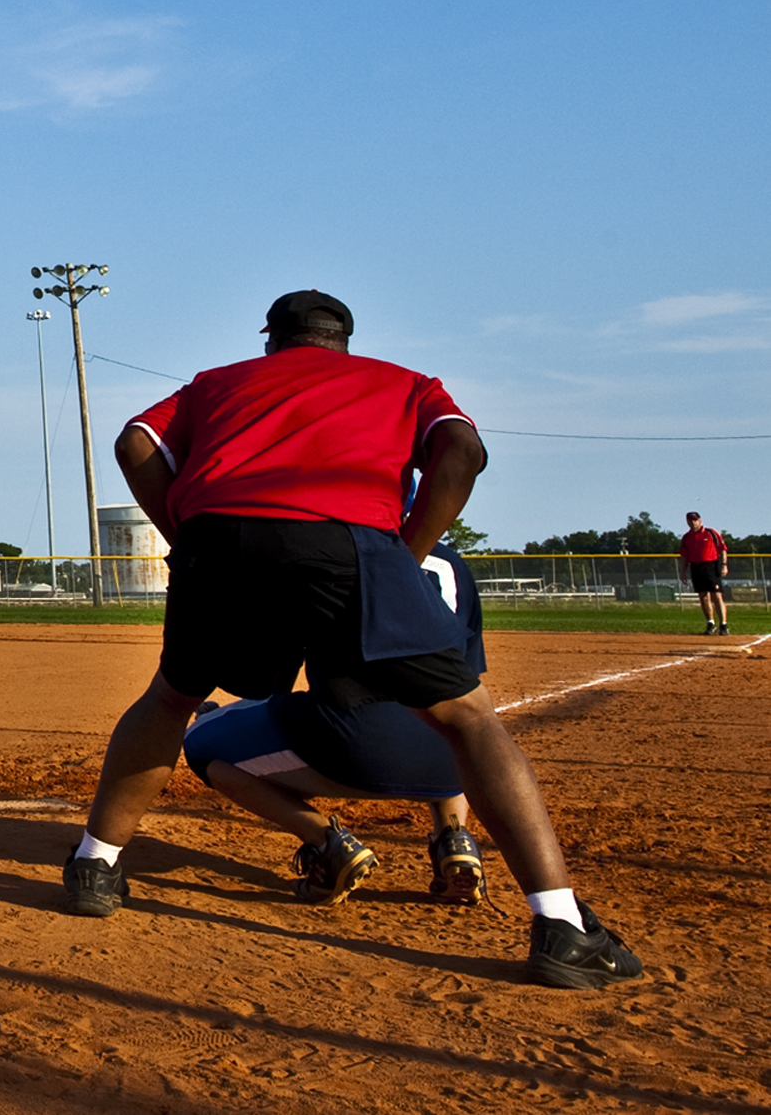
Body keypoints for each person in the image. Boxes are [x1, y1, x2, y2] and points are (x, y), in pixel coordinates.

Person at [65, 290, 641, 990]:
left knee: (173, 697)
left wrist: (187, 531)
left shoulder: (216, 384)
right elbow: (462, 450)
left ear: (270, 340)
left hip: (220, 538)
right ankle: (559, 927)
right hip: (352, 540)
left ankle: (95, 865)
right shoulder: (405, 383)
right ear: (344, 341)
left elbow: (135, 443)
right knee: (465, 717)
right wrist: (407, 551)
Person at [181, 542, 487, 906]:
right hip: (456, 760)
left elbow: (273, 680)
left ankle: (327, 842)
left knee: (201, 743)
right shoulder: (452, 564)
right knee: (450, 724)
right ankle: (454, 839)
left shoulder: (322, 548)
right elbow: (469, 677)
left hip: (353, 745)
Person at [678, 511, 728, 637]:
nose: (693, 523)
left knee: (716, 596)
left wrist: (724, 565)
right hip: (696, 567)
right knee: (703, 596)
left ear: (700, 521)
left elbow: (722, 550)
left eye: (695, 520)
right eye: (690, 521)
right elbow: (684, 556)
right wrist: (682, 572)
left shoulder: (711, 533)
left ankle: (723, 625)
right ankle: (710, 623)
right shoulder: (686, 537)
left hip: (711, 566)